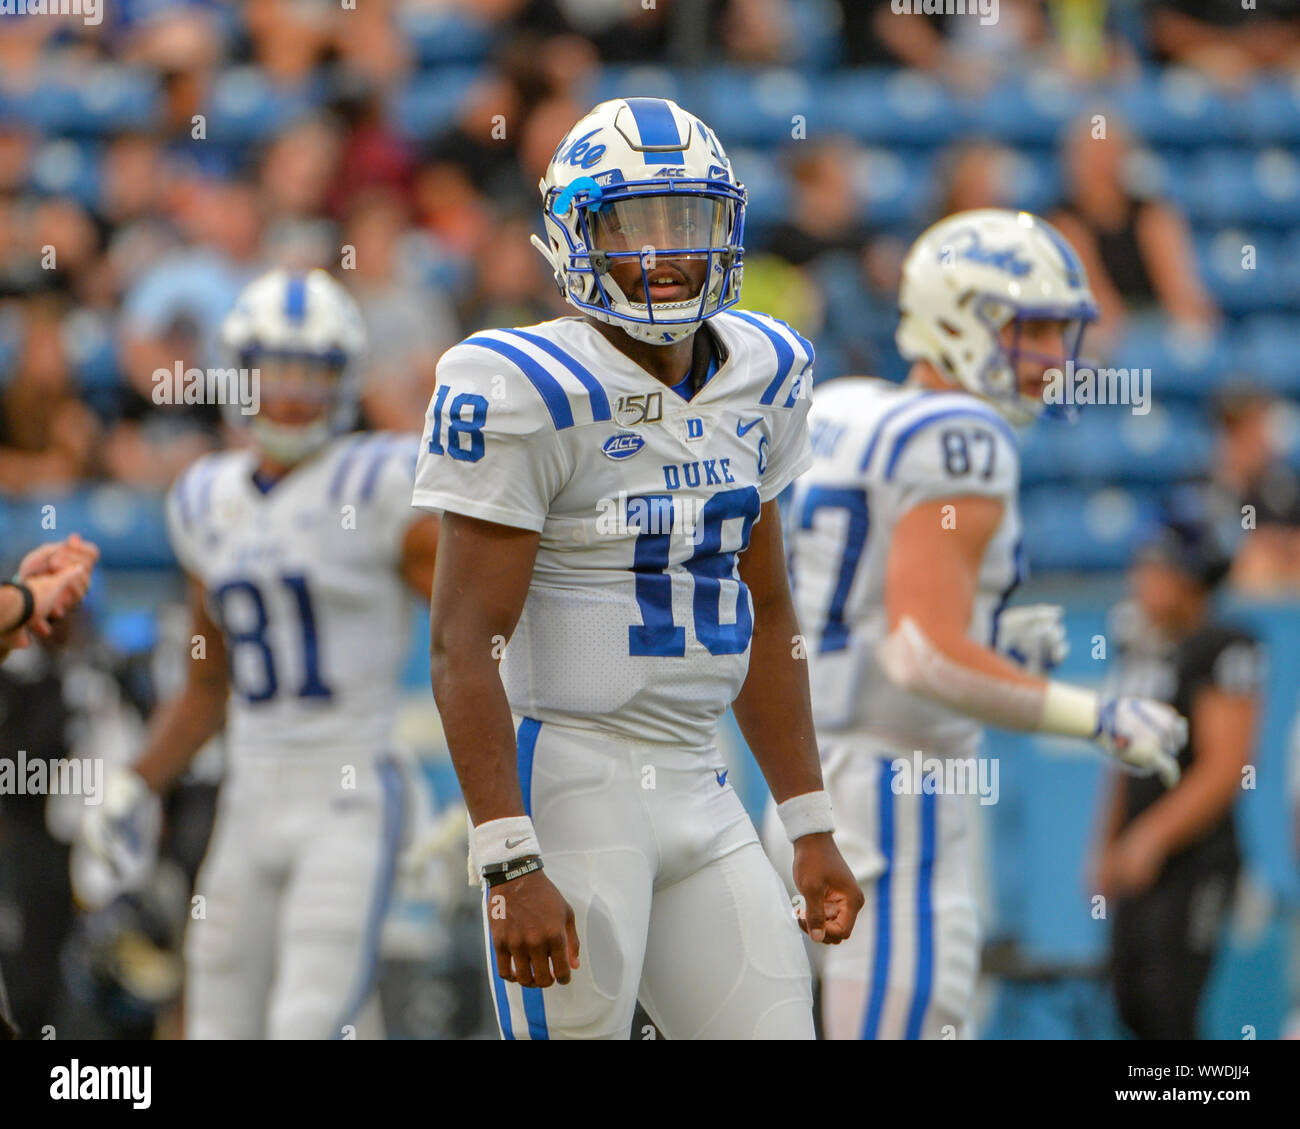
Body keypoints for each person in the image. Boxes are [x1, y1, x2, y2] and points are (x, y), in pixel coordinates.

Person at [414, 97, 863, 1040]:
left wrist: (809, 818)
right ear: (575, 236)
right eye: (632, 225)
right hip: (573, 778)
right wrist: (505, 855)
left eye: (685, 221)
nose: (663, 251)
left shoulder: (765, 370)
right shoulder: (522, 385)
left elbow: (767, 607)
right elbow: (463, 643)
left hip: (703, 780)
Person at [767, 208, 1187, 1040]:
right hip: (897, 799)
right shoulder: (961, 435)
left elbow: (858, 613)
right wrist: (1094, 715)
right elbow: (922, 655)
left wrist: (987, 641)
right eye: (1029, 328)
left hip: (799, 793)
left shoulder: (842, 406)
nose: (1051, 357)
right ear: (958, 319)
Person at [77, 268, 439, 1039]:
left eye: (314, 369)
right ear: (239, 372)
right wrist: (137, 782)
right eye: (276, 367)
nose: (293, 390)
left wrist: (495, 794)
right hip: (249, 792)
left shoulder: (381, 481)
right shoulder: (207, 497)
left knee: (309, 1022)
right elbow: (209, 680)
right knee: (216, 1024)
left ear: (344, 378)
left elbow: (475, 639)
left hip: (350, 793)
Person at [1091, 516, 1262, 1040]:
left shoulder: (1224, 647)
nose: (1142, 580)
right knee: (1131, 1000)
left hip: (1196, 858)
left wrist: (1150, 838)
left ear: (1189, 577)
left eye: (1157, 568)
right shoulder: (1141, 648)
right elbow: (1121, 760)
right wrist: (1105, 843)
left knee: (1171, 1005)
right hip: (1140, 857)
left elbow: (1223, 767)